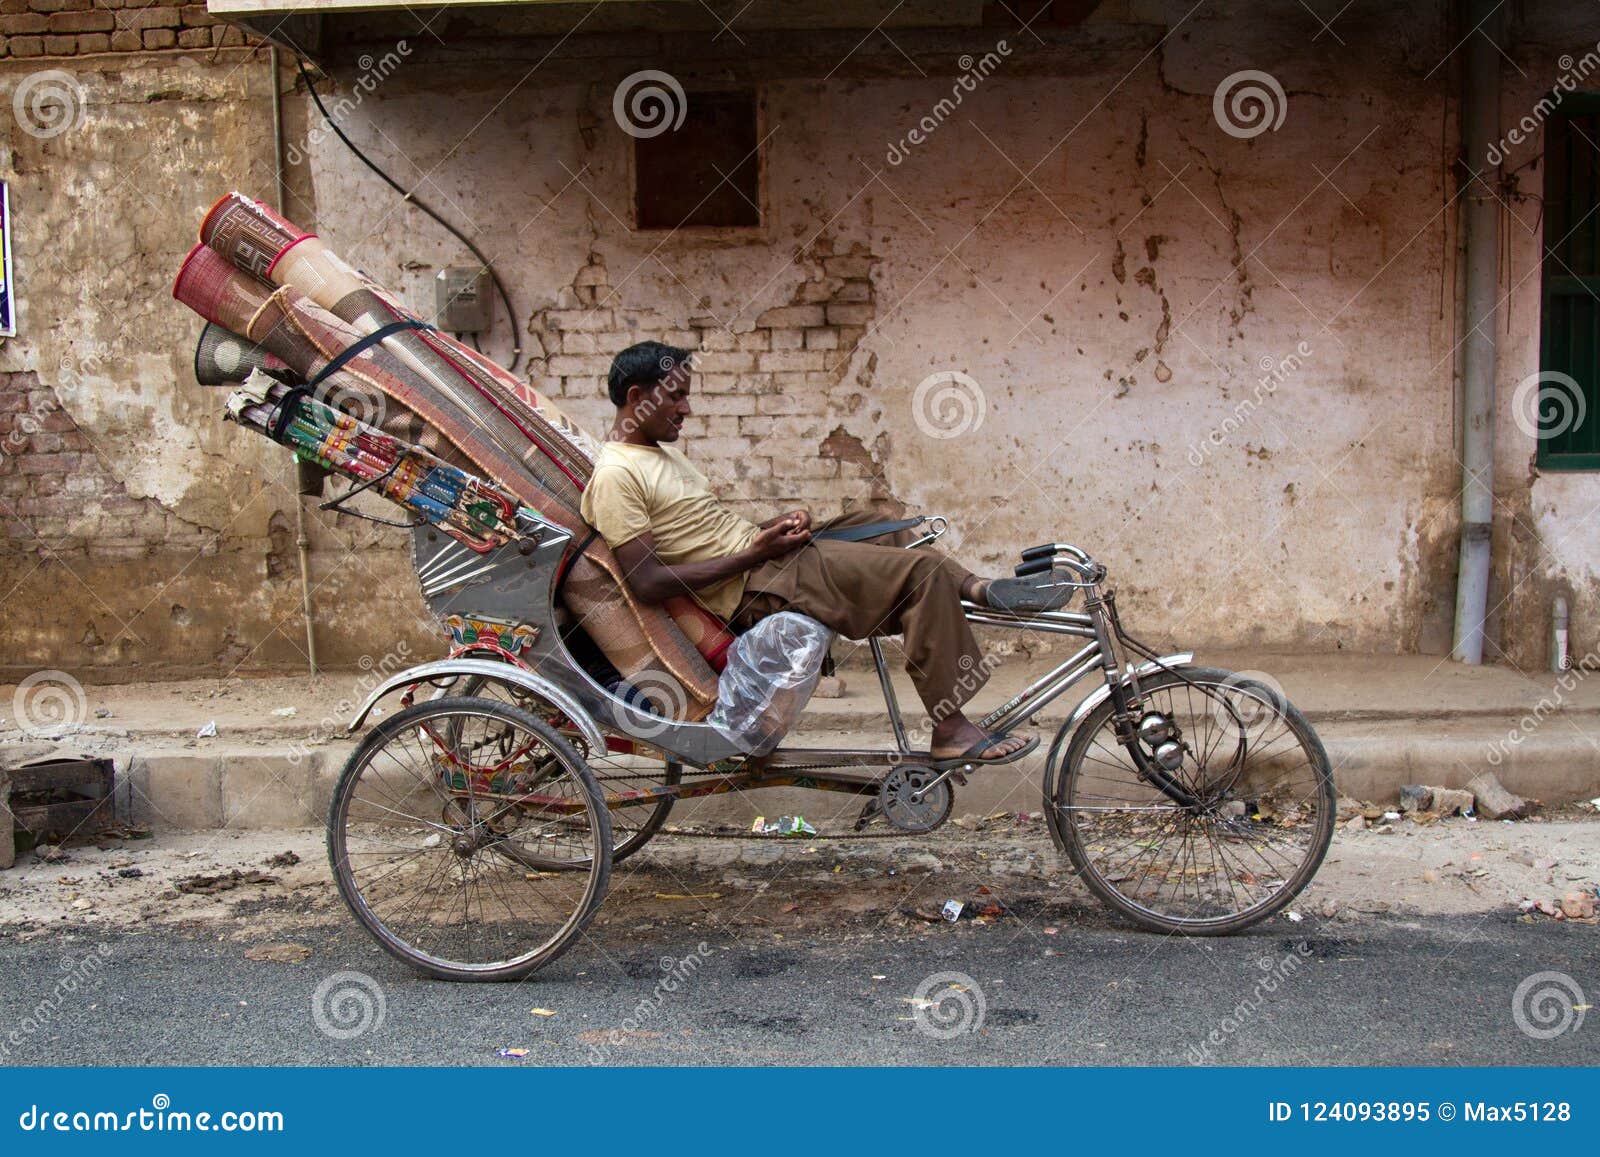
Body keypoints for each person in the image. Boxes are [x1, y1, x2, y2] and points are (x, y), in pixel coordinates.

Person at [578, 341, 1074, 766]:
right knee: (920, 574)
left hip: (763, 561)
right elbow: (647, 583)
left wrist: (771, 530)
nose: (686, 409)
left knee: (883, 527)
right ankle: (951, 730)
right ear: (637, 398)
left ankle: (980, 588)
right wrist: (756, 553)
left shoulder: (660, 455)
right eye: (676, 397)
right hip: (750, 589)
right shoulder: (618, 474)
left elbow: (705, 531)